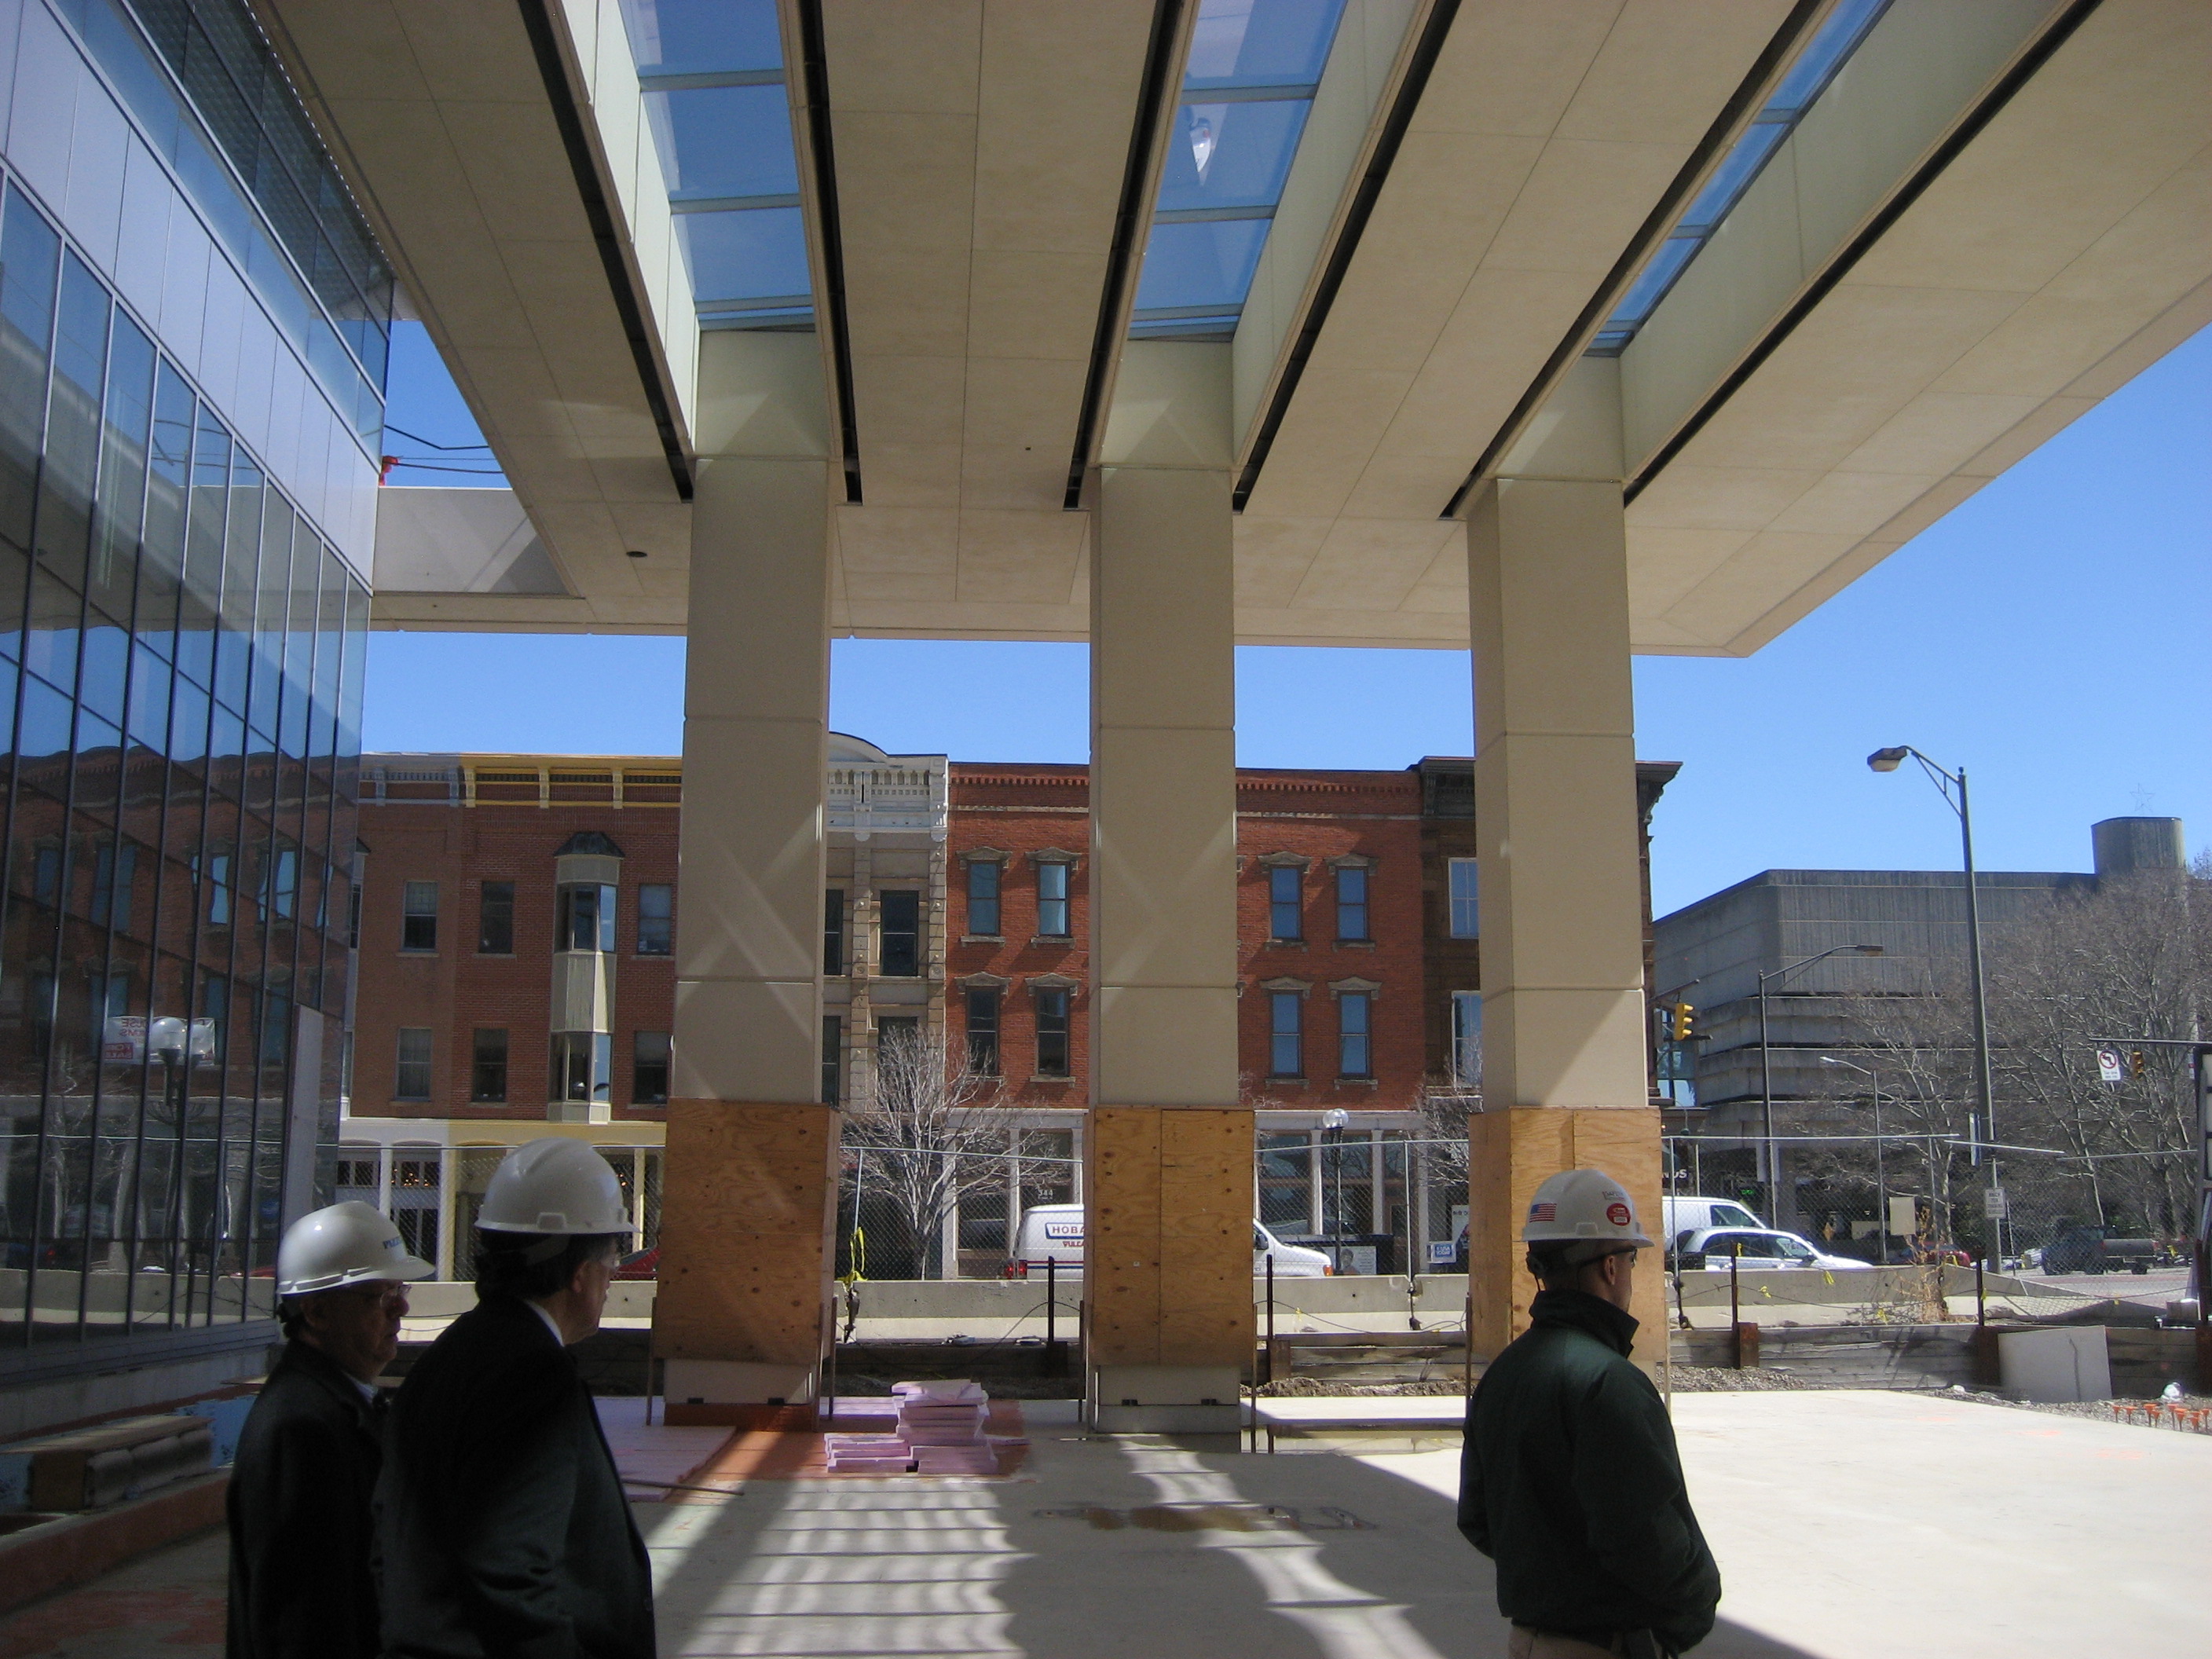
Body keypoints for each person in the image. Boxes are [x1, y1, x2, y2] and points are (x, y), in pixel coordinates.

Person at [378, 1137, 654, 1659]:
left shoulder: (454, 1353)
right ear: (580, 1275)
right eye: (610, 1259)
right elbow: (509, 1572)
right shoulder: (533, 1377)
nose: (614, 1275)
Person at [1459, 1168, 1720, 1659]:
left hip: (1529, 1641)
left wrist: (1553, 1578)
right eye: (1631, 1258)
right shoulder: (1610, 1383)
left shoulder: (1504, 1375)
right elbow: (1644, 1535)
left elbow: (1478, 1518)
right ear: (1611, 1267)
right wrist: (1692, 1609)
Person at [227, 1201, 432, 1659]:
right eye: (378, 1295)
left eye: (399, 1289)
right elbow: (302, 1619)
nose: (401, 1307)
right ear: (317, 1312)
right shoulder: (300, 1430)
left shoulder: (341, 1405)